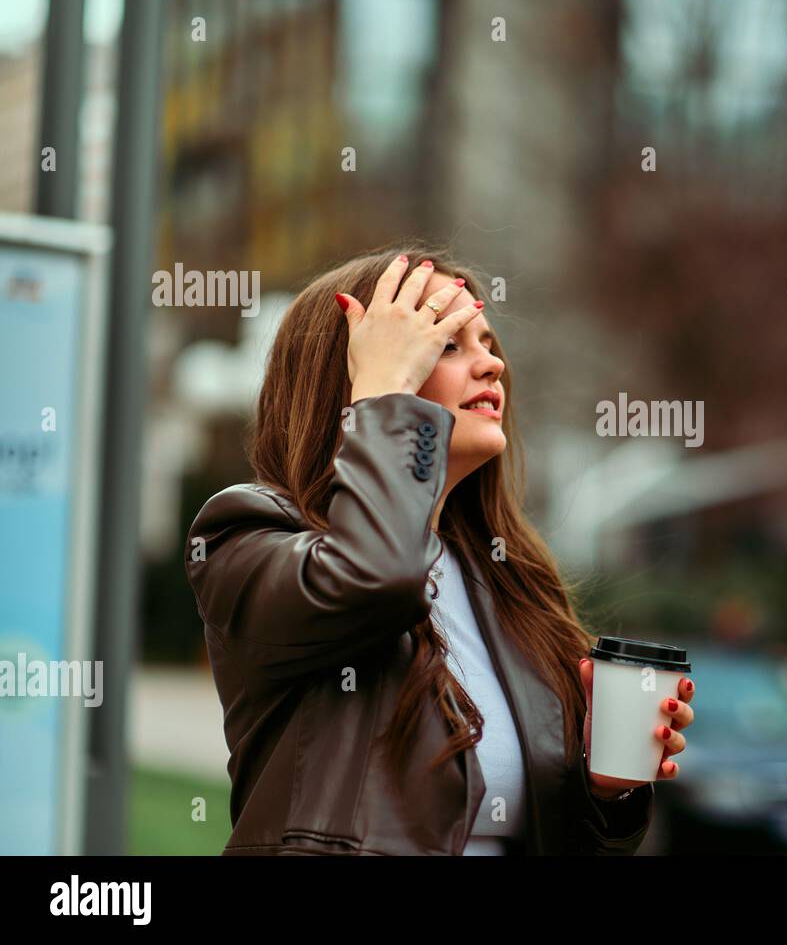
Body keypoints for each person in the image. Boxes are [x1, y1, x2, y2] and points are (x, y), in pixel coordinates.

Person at [185, 247, 694, 855]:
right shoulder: (247, 532)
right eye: (447, 344)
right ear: (356, 377)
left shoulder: (504, 578)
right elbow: (372, 576)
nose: (491, 367)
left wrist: (606, 791)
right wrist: (381, 397)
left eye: (487, 343)